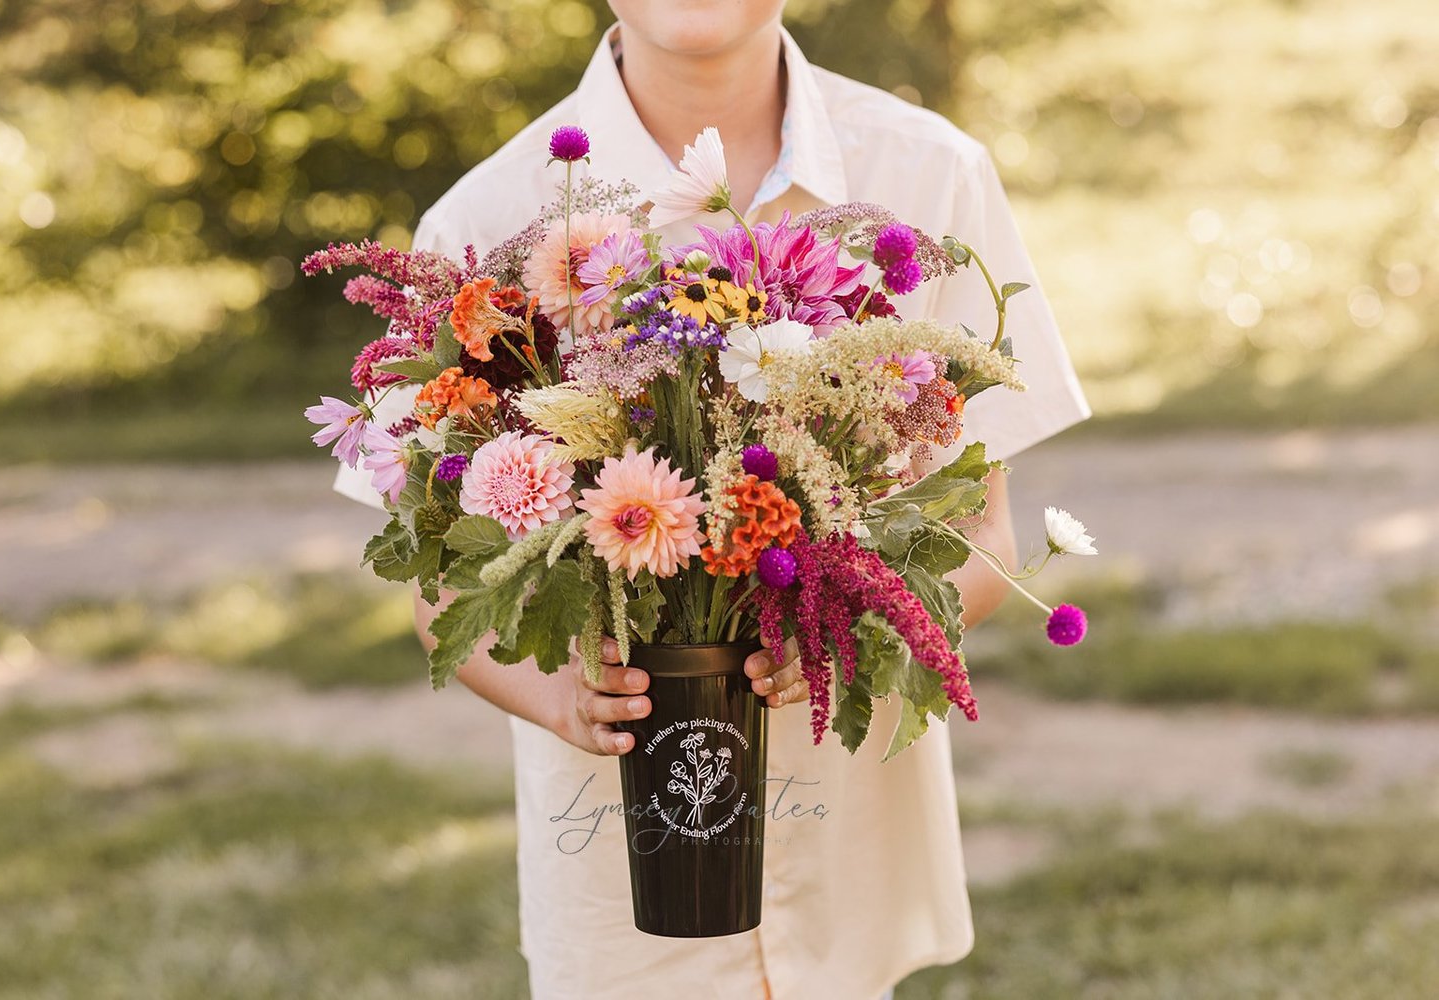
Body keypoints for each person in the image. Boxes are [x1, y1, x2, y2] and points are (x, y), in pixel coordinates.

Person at [333, 3, 1090, 997]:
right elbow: (440, 590)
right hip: (619, 865)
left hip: (847, 852)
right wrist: (556, 694)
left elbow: (976, 528)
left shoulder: (929, 177)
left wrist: (856, 627)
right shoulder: (486, 226)